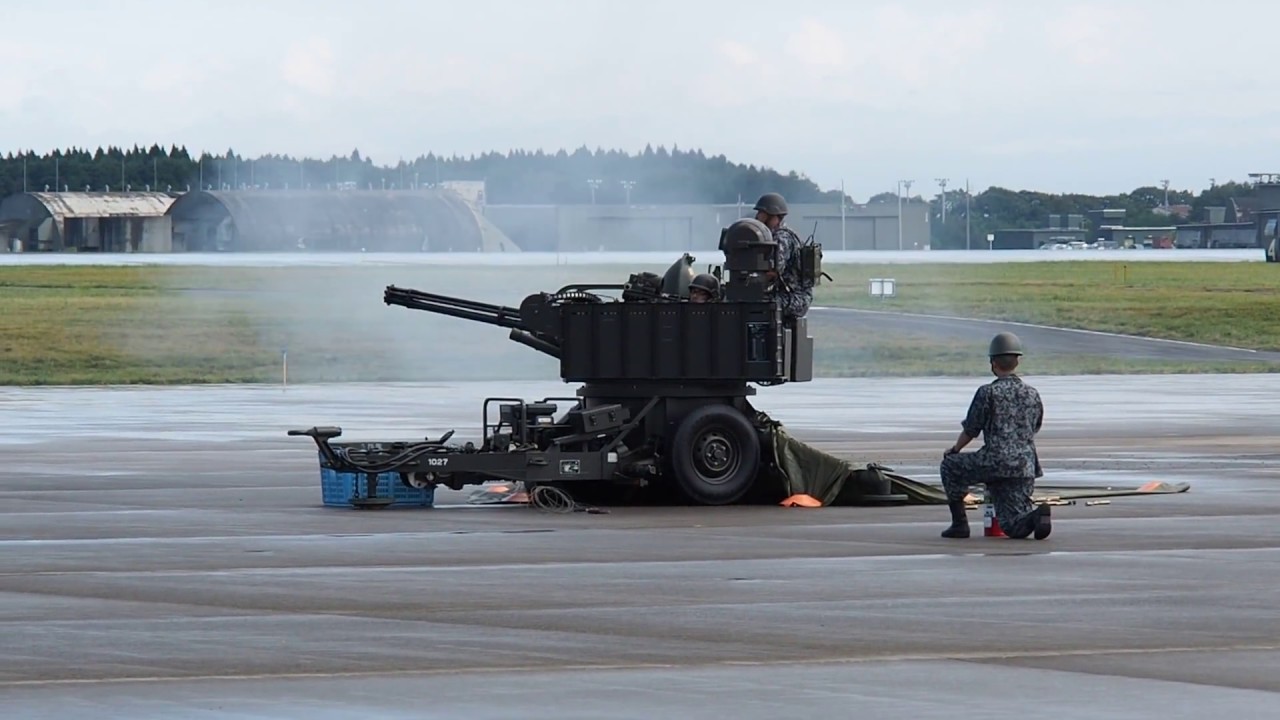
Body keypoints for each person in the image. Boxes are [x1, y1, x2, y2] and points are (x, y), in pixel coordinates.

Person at [938, 332, 1052, 540]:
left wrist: (954, 450)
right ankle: (1036, 516)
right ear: (1017, 361)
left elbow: (971, 429)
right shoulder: (1032, 393)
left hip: (994, 461)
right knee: (1012, 525)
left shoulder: (987, 392)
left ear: (993, 363)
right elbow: (1035, 426)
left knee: (949, 467)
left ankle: (959, 525)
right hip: (1024, 465)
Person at [752, 192, 813, 322]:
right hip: (786, 294)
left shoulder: (782, 238)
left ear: (773, 216)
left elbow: (773, 271)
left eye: (761, 213)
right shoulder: (775, 236)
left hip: (795, 298)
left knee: (753, 302)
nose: (758, 217)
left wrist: (750, 280)